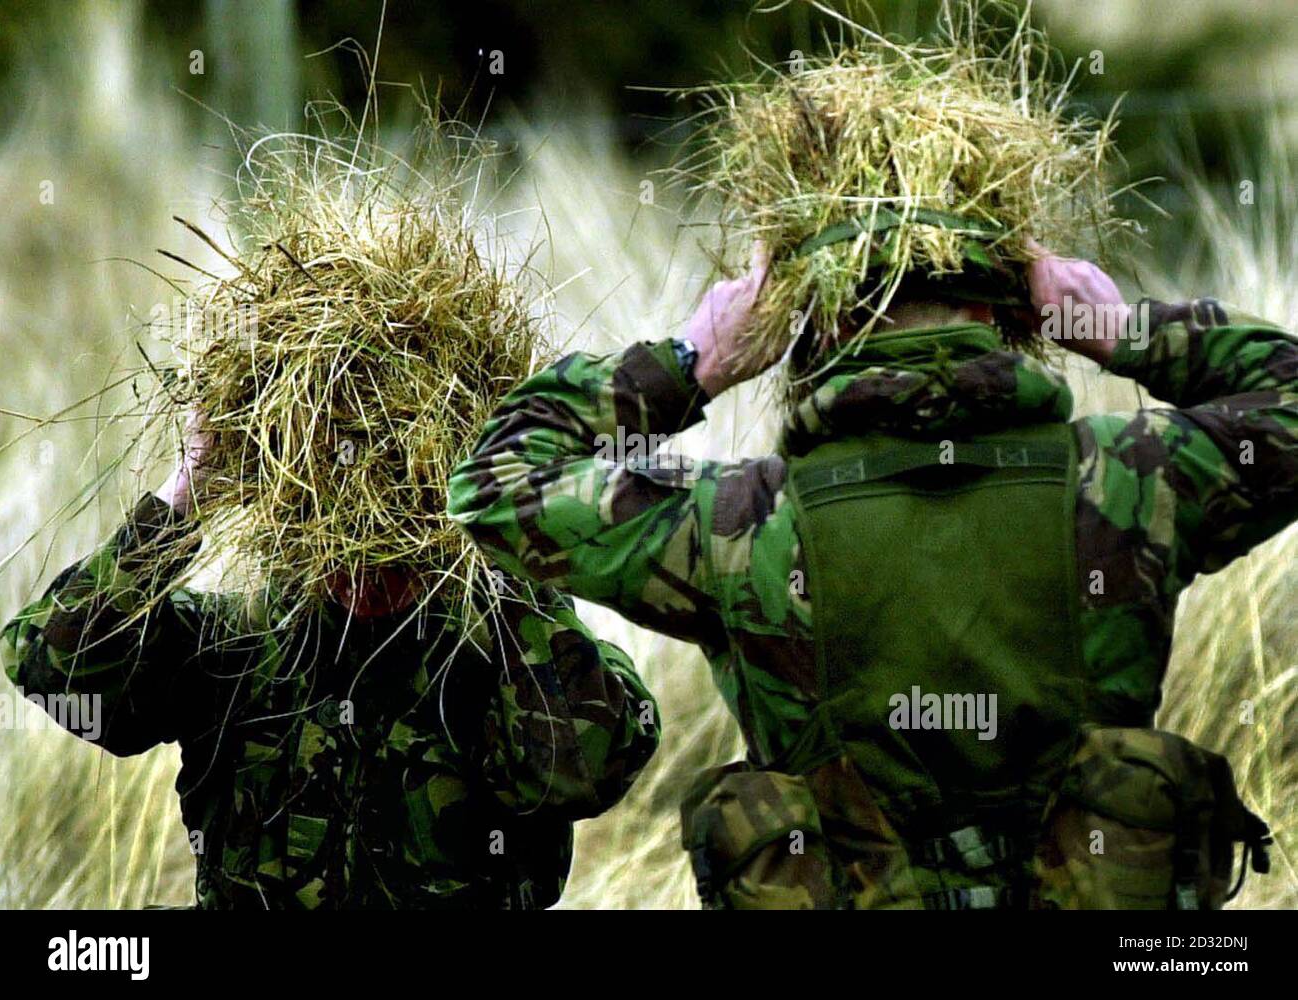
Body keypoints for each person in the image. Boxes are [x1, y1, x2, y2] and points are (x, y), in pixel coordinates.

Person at [447, 242, 1292, 909]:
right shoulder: (1133, 479)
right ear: (1005, 309)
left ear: (808, 330)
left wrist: (692, 360)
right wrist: (1119, 329)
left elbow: (496, 485)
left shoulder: (738, 521)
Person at [1, 409, 660, 909]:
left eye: (392, 537)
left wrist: (509, 549)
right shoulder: (232, 645)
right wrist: (183, 497)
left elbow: (587, 768)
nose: (362, 565)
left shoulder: (504, 651)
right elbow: (47, 663)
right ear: (293, 528)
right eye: (332, 532)